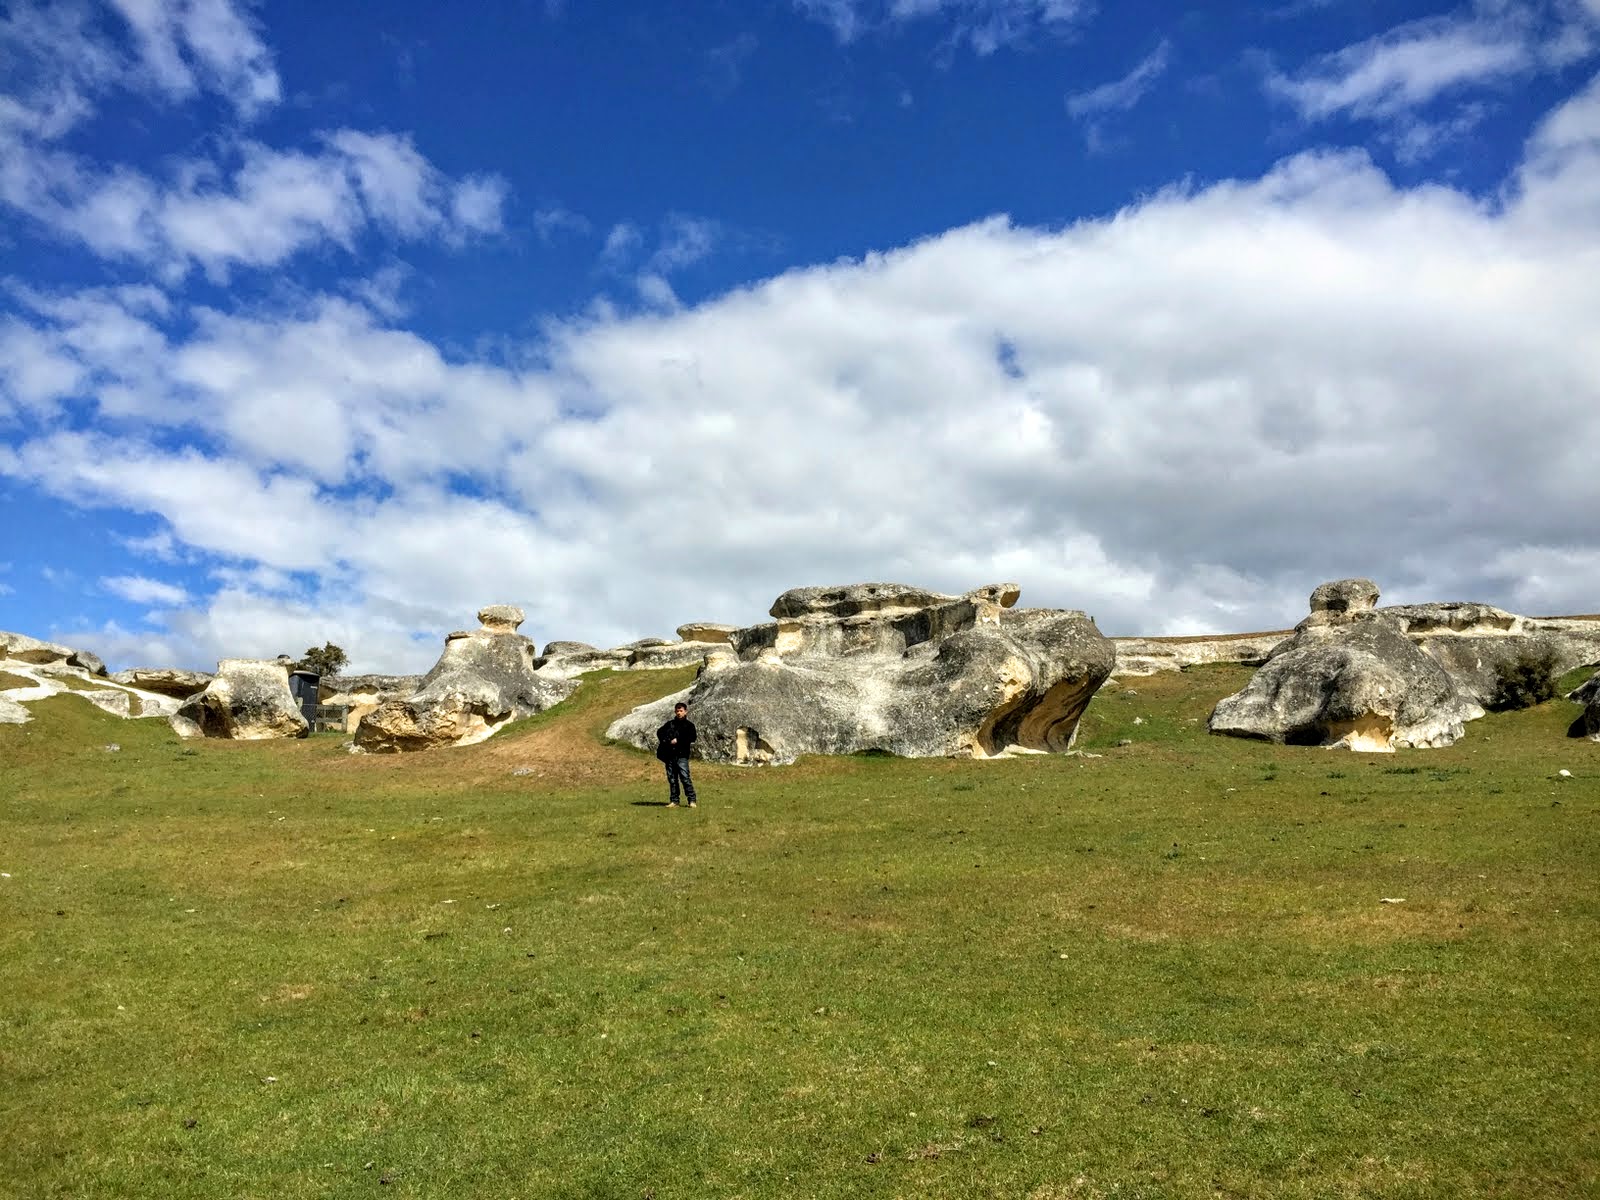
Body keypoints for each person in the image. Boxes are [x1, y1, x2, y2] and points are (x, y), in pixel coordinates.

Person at [656, 701, 698, 807]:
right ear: (675, 711)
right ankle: (674, 801)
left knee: (685, 778)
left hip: (682, 755)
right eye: (677, 711)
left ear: (685, 711)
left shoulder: (689, 725)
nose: (679, 713)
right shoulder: (670, 724)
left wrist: (678, 740)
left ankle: (692, 800)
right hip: (670, 755)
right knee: (672, 779)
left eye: (681, 711)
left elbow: (692, 738)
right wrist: (667, 740)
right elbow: (659, 732)